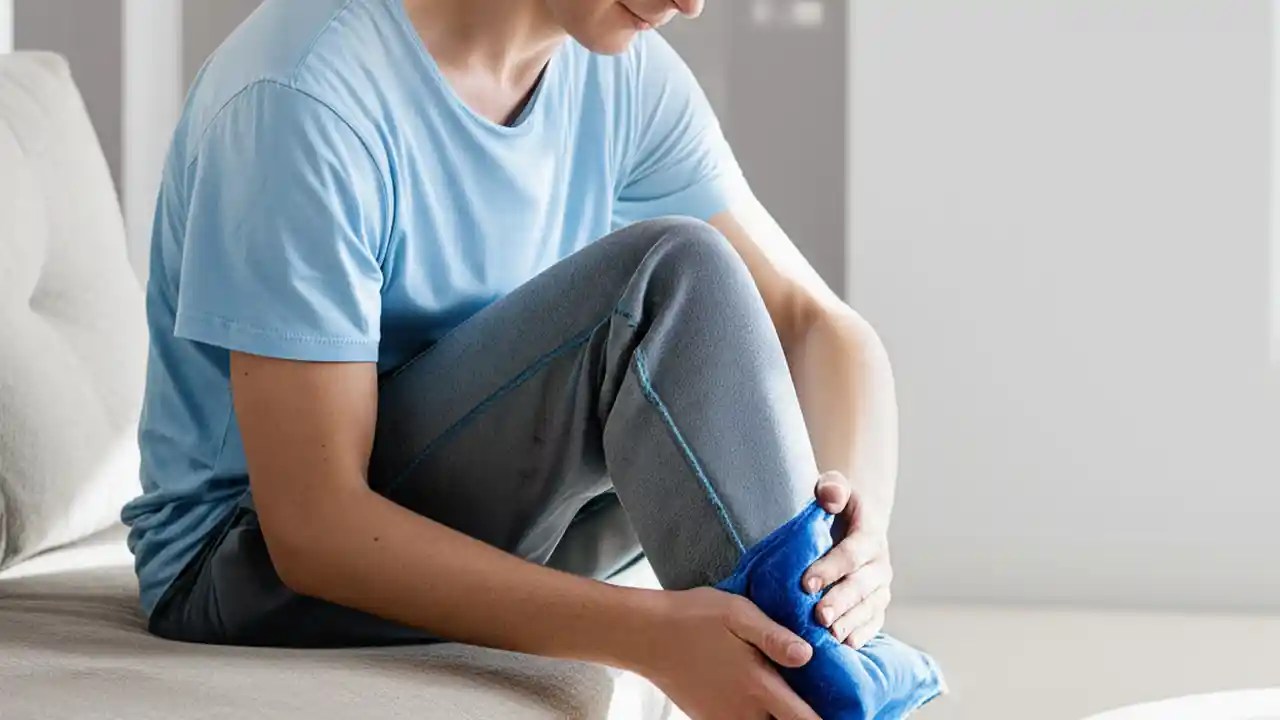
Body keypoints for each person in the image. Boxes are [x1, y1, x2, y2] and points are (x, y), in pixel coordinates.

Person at [123, 0, 901, 717]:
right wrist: (652, 636)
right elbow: (312, 527)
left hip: (479, 505)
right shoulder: (304, 94)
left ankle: (818, 644)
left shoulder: (620, 73)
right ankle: (830, 679)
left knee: (713, 374)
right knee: (668, 277)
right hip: (245, 559)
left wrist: (853, 546)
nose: (692, 3)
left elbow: (818, 325)